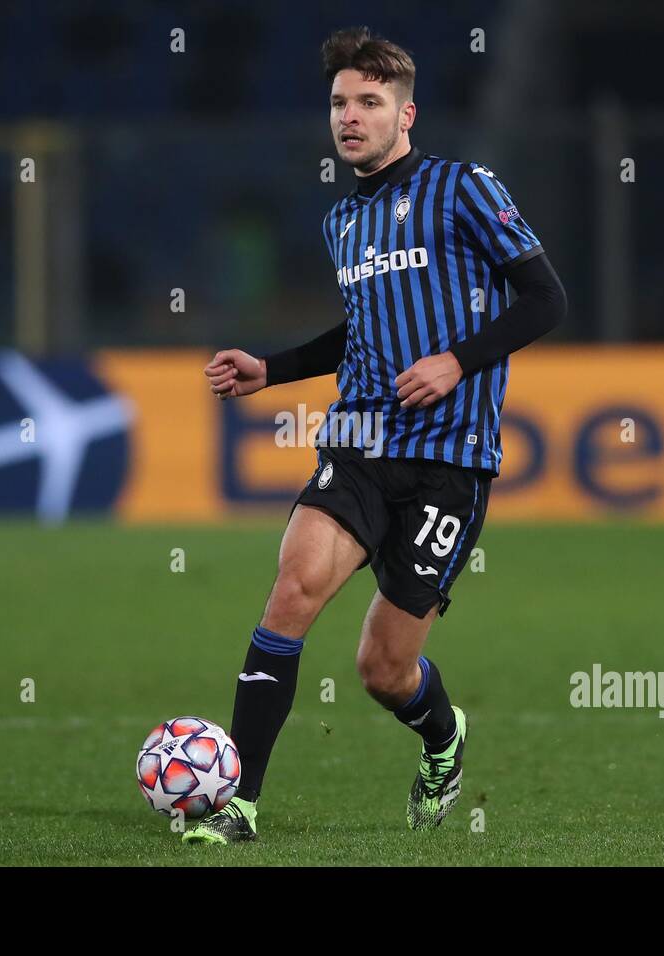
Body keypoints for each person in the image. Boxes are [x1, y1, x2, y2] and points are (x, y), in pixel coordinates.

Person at [189, 26, 566, 844]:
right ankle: (239, 804)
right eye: (339, 103)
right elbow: (358, 332)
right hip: (359, 444)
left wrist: (457, 362)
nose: (350, 117)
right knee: (291, 593)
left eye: (369, 102)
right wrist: (271, 368)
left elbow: (545, 300)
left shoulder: (463, 188)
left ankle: (442, 738)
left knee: (381, 670)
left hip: (451, 463)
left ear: (406, 113)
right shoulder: (342, 224)